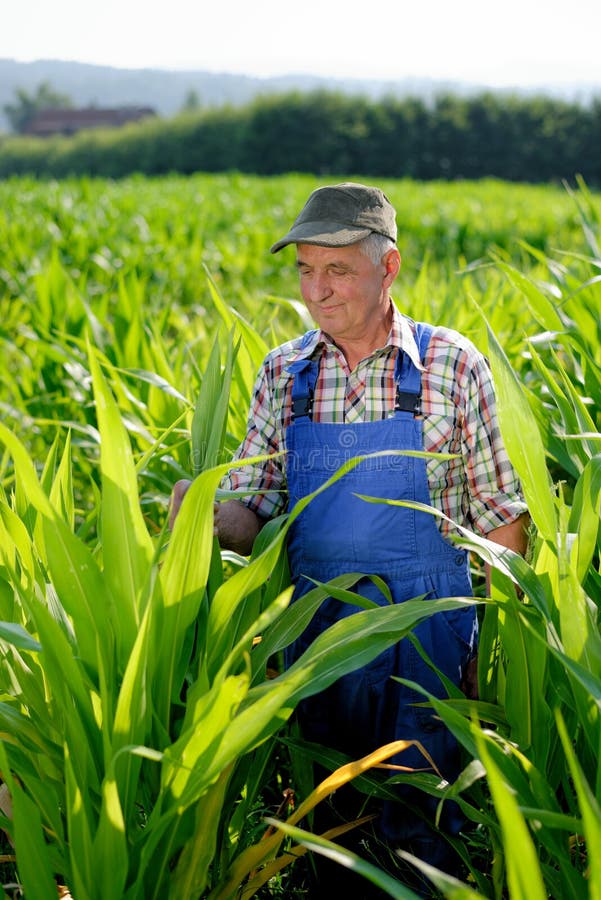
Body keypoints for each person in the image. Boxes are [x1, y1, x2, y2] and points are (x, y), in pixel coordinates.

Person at [170, 183, 529, 895]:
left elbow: (501, 521)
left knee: (422, 832)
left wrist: (492, 649)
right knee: (330, 830)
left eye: (336, 270)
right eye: (305, 270)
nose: (317, 291)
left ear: (388, 267)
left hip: (428, 638)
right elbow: (257, 508)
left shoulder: (451, 366)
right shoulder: (285, 371)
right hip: (319, 638)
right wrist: (211, 516)